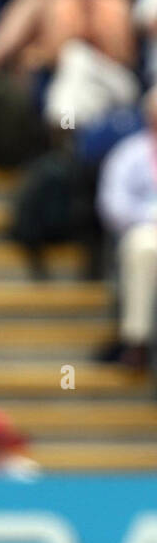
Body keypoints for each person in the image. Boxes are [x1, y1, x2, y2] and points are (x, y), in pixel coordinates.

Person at [97, 87, 157, 370]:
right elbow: (112, 204)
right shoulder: (128, 153)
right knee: (144, 247)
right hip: (143, 229)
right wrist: (147, 215)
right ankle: (137, 341)